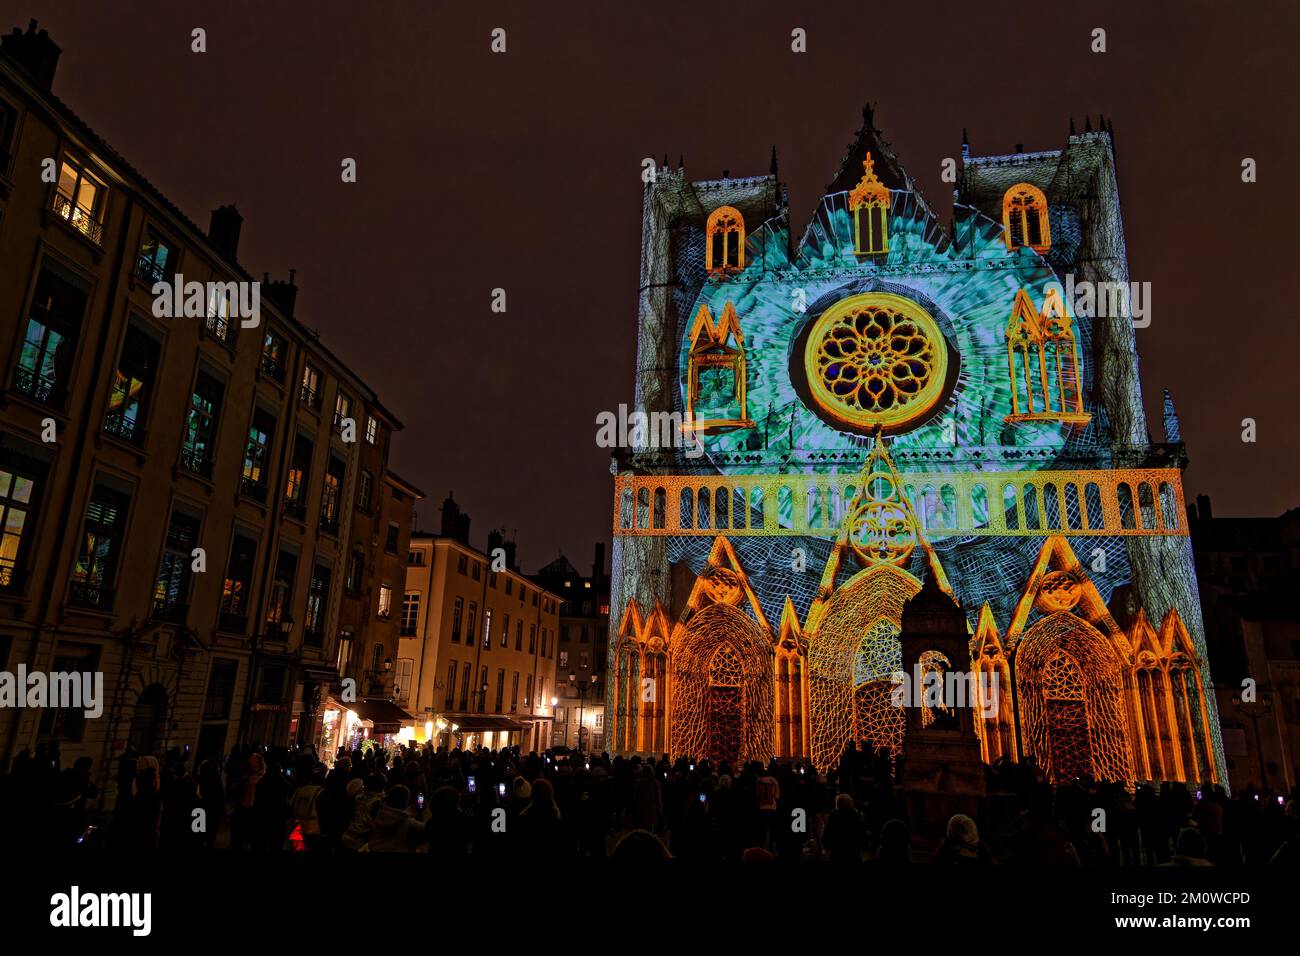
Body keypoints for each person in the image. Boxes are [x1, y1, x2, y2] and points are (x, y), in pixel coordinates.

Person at [365, 785, 425, 852]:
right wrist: (419, 812)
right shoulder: (408, 822)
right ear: (406, 802)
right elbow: (426, 829)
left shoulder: (376, 814)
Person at [821, 793, 868, 863]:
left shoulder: (834, 817)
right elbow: (863, 839)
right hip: (854, 855)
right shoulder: (856, 817)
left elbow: (826, 839)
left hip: (836, 854)